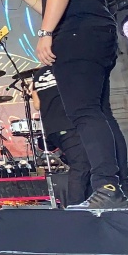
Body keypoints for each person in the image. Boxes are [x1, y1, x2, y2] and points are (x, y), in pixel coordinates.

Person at [11, 0, 128, 209]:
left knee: (85, 113)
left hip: (78, 37)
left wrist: (45, 34)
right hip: (93, 33)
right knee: (100, 113)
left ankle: (107, 185)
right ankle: (118, 187)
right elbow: (60, 1)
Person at [27, 68, 92, 206]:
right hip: (67, 124)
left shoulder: (38, 75)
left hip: (52, 128)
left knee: (83, 164)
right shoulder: (66, 66)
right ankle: (76, 208)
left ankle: (86, 203)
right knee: (81, 165)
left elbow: (37, 105)